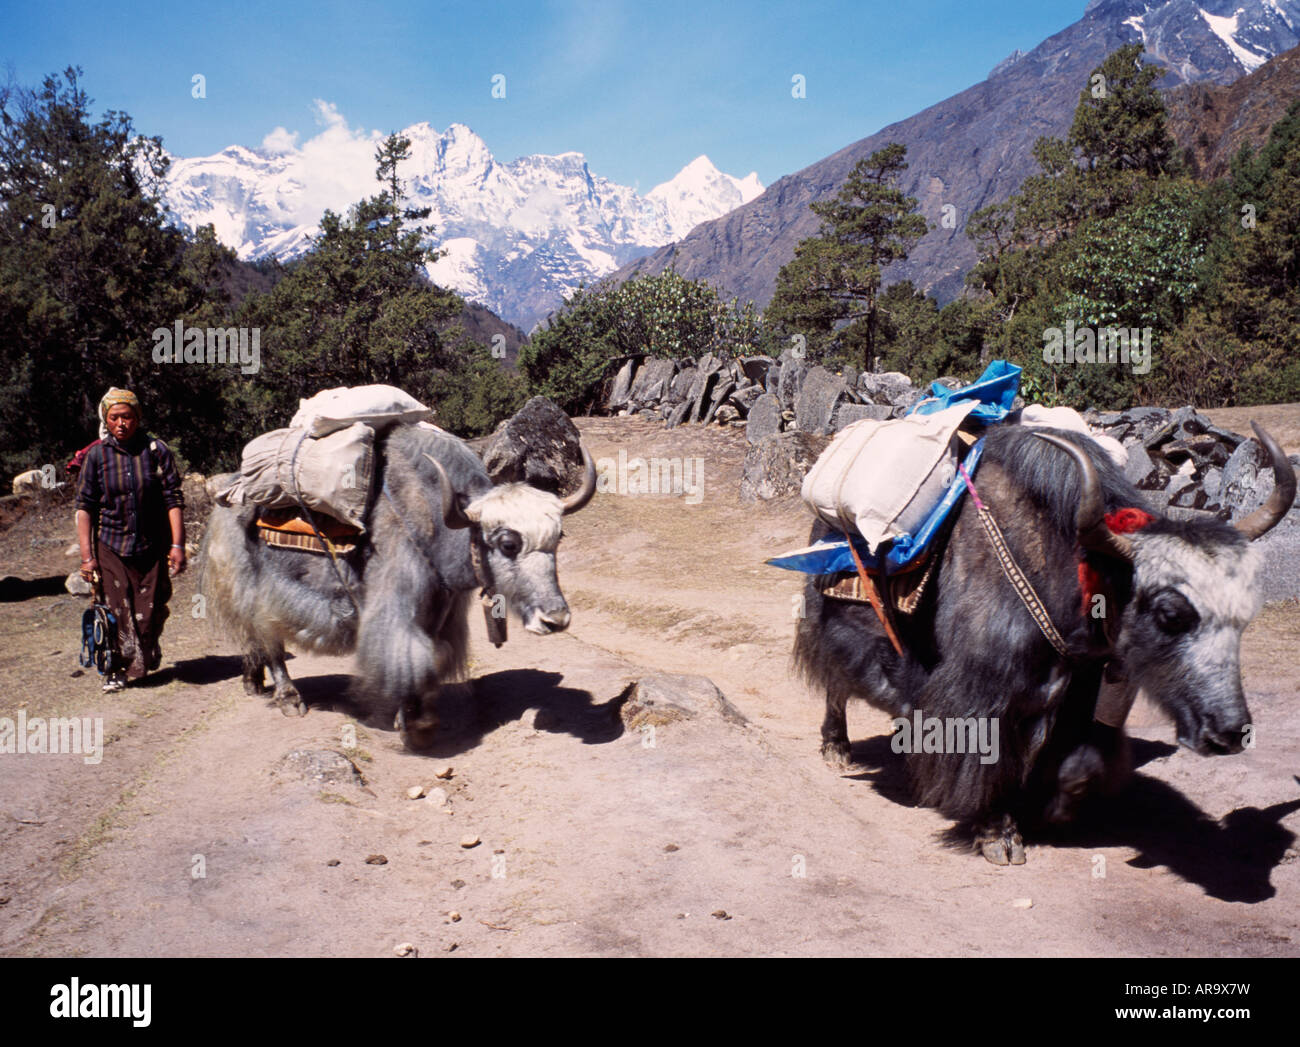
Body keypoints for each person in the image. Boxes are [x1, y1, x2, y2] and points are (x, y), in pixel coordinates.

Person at [76, 389, 186, 691]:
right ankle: (115, 669)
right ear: (106, 420)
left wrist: (178, 545)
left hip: (152, 547)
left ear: (137, 418)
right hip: (111, 545)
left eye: (127, 417)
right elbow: (84, 506)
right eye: (115, 418)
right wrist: (87, 557)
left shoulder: (156, 450)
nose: (122, 423)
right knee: (115, 610)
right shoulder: (96, 456)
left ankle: (146, 652)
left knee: (149, 611)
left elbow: (173, 499)